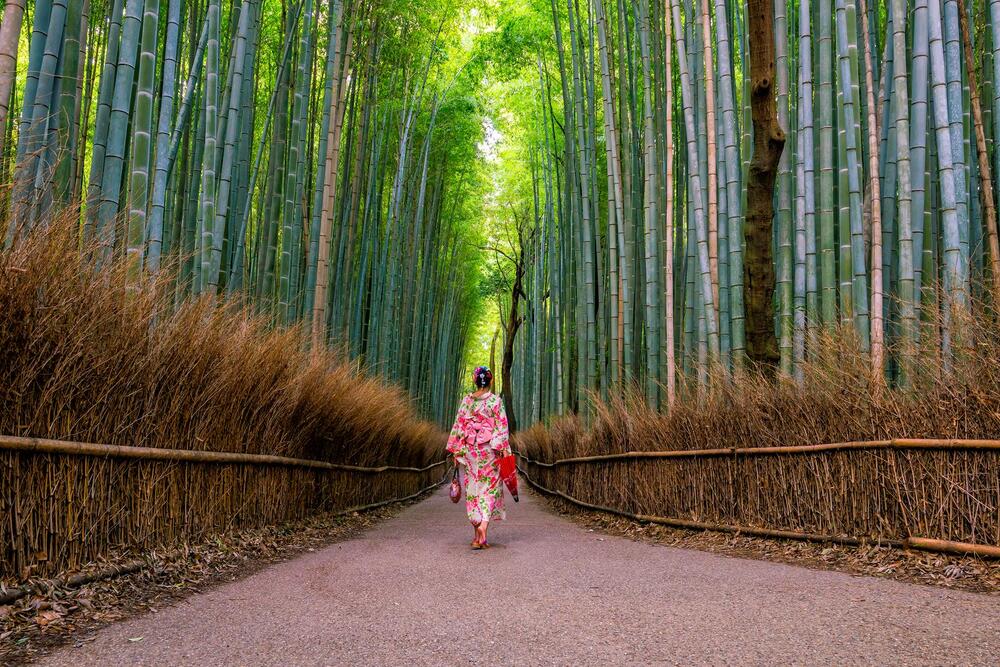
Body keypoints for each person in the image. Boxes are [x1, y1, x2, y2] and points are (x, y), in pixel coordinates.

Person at [446, 365, 511, 550]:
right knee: (489, 489)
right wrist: (501, 447)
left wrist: (457, 450)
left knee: (473, 490)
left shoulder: (467, 401)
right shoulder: (495, 402)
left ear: (475, 381)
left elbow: (459, 425)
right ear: (490, 381)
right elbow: (501, 427)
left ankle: (478, 538)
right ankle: (483, 527)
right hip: (489, 452)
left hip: (471, 452)